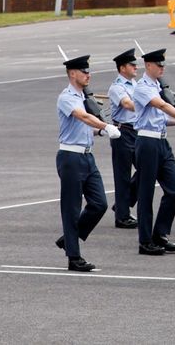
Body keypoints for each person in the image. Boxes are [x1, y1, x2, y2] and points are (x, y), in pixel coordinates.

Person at [133, 48, 175, 255]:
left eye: (163, 65)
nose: (162, 68)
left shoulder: (158, 86)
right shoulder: (143, 87)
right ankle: (145, 241)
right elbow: (159, 105)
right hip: (147, 143)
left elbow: (159, 117)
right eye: (159, 65)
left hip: (162, 142)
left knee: (174, 190)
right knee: (146, 193)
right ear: (148, 66)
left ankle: (160, 233)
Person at [56, 53, 112, 272]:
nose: (88, 75)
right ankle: (74, 257)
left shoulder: (84, 96)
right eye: (84, 71)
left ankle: (69, 239)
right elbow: (83, 117)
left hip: (87, 156)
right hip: (70, 157)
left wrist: (100, 131)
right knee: (71, 208)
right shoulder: (67, 97)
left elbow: (88, 125)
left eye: (89, 71)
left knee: (99, 204)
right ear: (72, 73)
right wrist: (105, 126)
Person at [106, 48, 141, 230]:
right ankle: (122, 216)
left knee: (145, 169)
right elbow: (127, 104)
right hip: (124, 132)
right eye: (132, 65)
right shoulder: (117, 87)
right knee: (122, 175)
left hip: (138, 132)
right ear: (122, 68)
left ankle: (123, 203)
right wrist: (147, 107)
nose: (136, 67)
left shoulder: (136, 85)